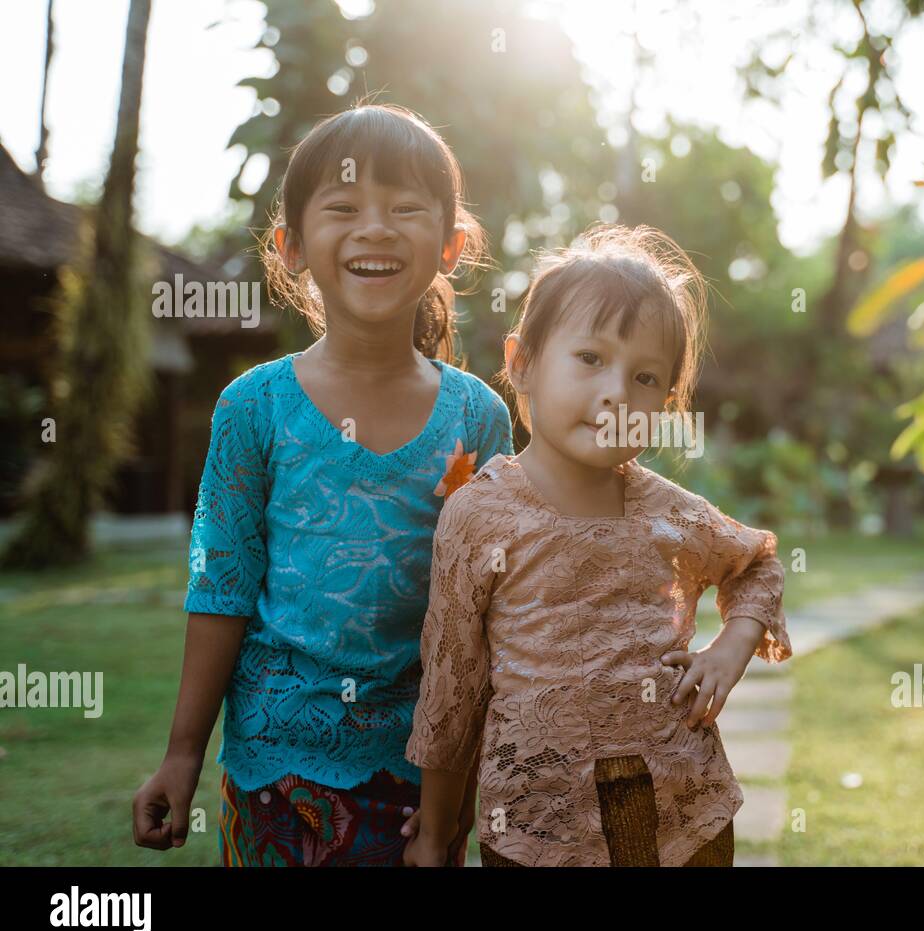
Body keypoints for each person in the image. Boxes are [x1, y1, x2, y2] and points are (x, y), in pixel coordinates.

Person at [131, 104, 513, 866]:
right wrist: (181, 753)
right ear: (293, 246)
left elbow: (486, 618)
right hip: (275, 767)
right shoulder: (254, 407)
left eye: (405, 208)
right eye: (343, 209)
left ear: (450, 245)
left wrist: (460, 790)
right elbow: (221, 586)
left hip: (419, 776)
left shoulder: (476, 416)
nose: (374, 228)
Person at [404, 224, 790, 867]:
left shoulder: (670, 512)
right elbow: (453, 687)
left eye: (644, 377)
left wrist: (730, 648)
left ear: (665, 403)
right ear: (521, 361)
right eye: (590, 358)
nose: (617, 392)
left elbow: (757, 563)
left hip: (684, 813)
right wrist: (436, 829)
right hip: (538, 826)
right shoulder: (479, 513)